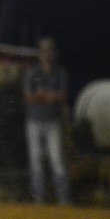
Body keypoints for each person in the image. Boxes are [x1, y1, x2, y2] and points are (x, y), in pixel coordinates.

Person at [22, 37, 71, 205]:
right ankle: (39, 199)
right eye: (44, 51)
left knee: (57, 160)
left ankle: (64, 199)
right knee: (36, 162)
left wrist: (42, 95)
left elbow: (61, 96)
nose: (47, 55)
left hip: (53, 122)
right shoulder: (32, 72)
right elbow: (28, 97)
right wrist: (50, 96)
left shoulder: (60, 73)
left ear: (54, 53)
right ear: (40, 54)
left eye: (50, 51)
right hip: (34, 122)